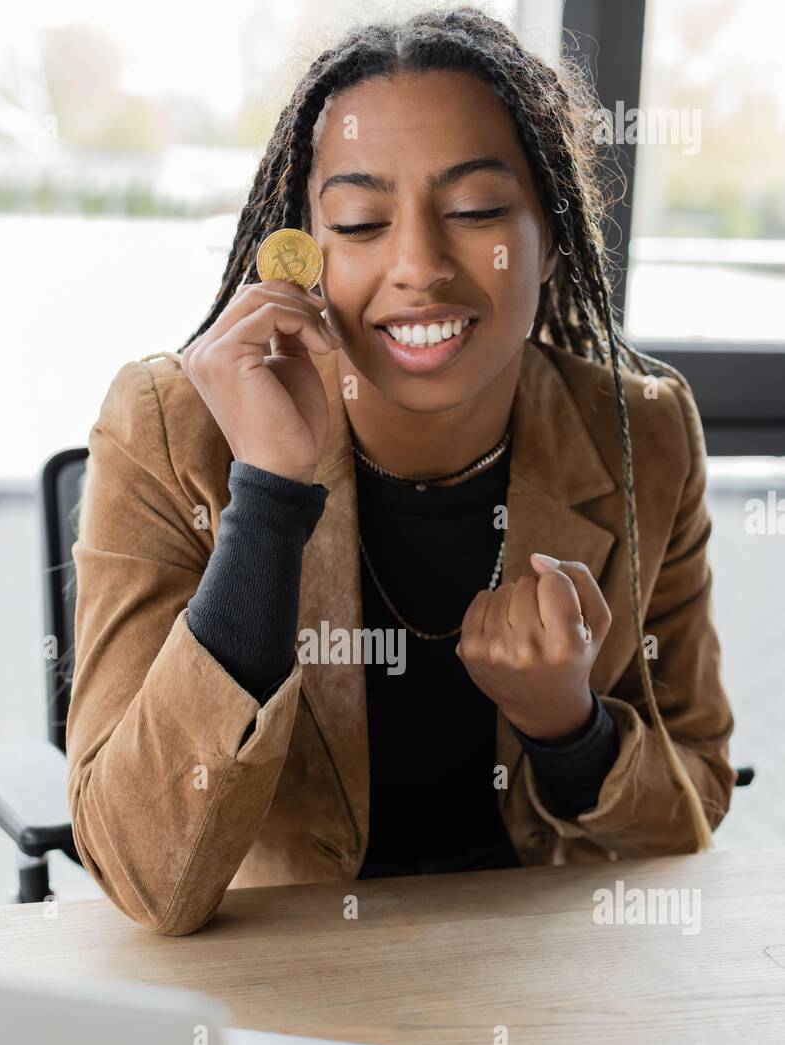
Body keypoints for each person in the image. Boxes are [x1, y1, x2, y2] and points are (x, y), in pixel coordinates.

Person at [66, 8, 736, 935]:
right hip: (283, 990)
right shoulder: (169, 428)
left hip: (545, 980)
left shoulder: (644, 435)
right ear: (301, 248)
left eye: (474, 211)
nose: (418, 266)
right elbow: (143, 878)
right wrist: (267, 497)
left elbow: (693, 804)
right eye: (360, 220)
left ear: (551, 240)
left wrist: (568, 728)